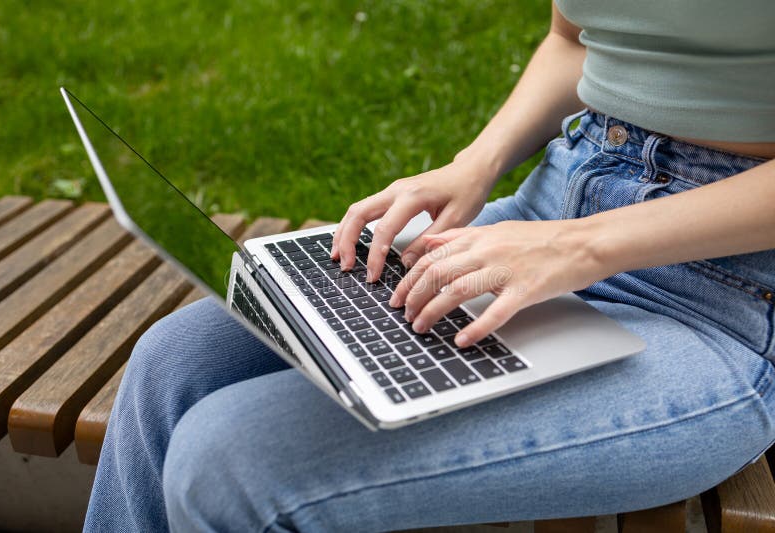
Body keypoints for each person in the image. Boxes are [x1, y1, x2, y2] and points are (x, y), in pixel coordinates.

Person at [84, 1, 775, 531]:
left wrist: (579, 247)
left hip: (717, 296)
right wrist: (473, 165)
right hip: (555, 202)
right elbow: (576, 40)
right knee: (170, 363)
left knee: (226, 463)